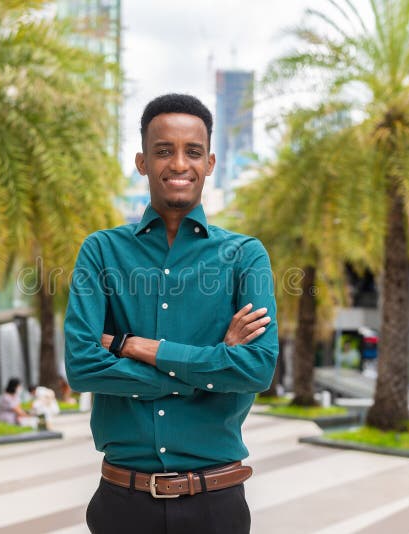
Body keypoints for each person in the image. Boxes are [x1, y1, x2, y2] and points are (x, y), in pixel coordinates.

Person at [65, 93, 279, 534]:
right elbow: (83, 365)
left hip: (215, 505)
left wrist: (137, 347)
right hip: (120, 505)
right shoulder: (102, 251)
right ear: (142, 162)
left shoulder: (245, 256)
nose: (179, 164)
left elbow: (256, 370)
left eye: (192, 152)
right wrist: (211, 365)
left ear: (211, 162)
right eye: (164, 151)